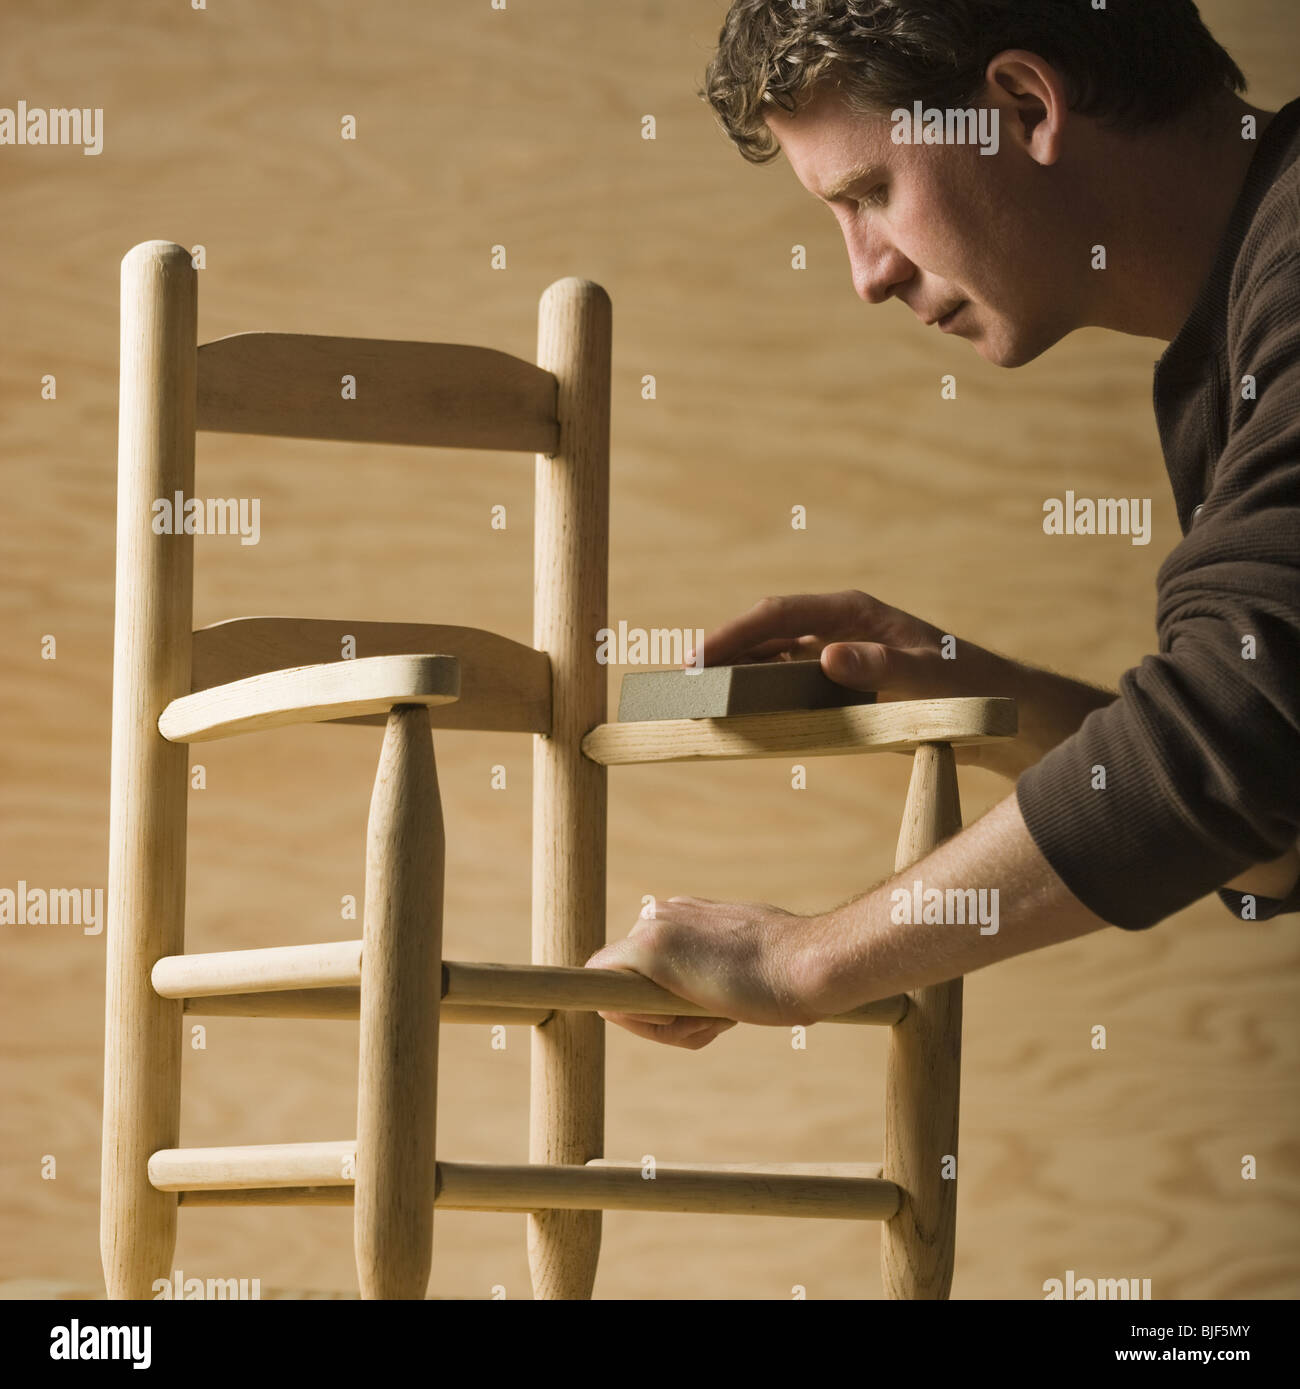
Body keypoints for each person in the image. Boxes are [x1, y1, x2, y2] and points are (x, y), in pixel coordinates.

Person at [586, 0, 1300, 1047]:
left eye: (871, 192)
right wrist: (994, 702)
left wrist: (798, 963)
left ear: (1021, 105)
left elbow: (1232, 752)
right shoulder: (1235, 328)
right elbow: (1274, 814)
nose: (866, 275)